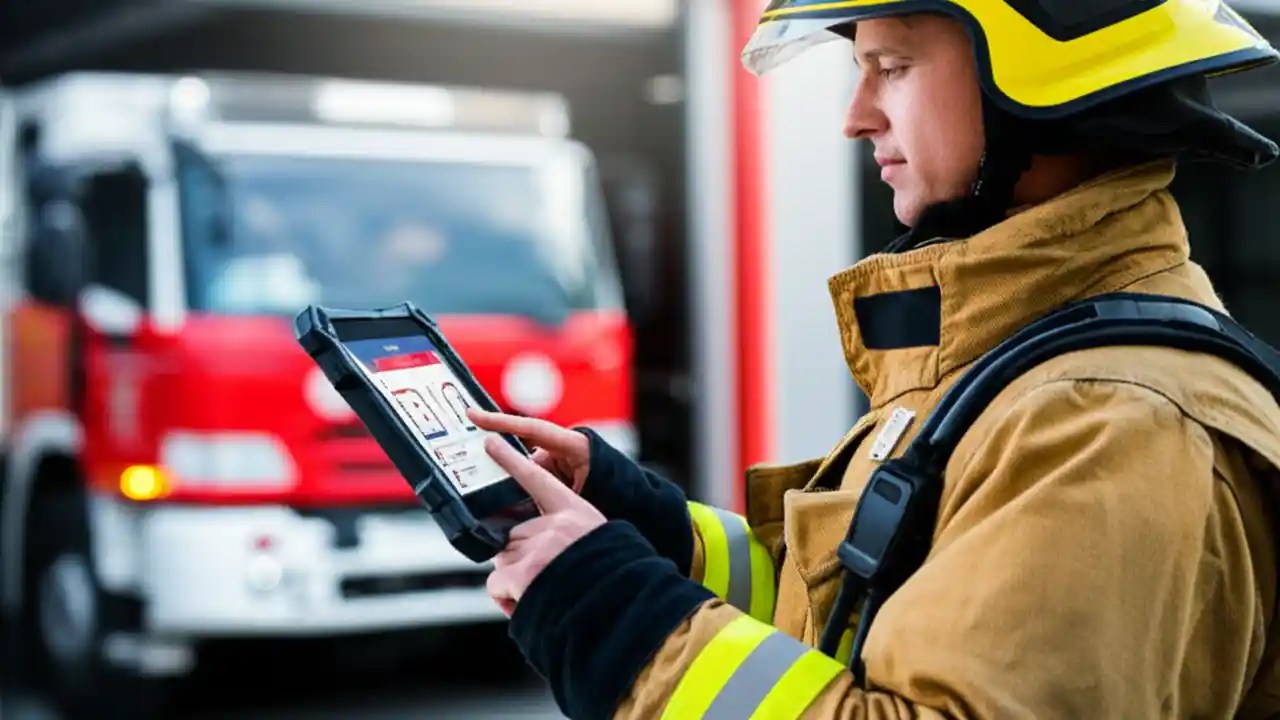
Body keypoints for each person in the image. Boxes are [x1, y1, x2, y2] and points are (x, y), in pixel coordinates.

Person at [467, 1, 1280, 717]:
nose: (856, 117)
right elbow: (866, 602)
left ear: (1048, 86)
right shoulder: (1024, 365)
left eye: (890, 68)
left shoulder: (1105, 421)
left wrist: (617, 622)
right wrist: (646, 529)